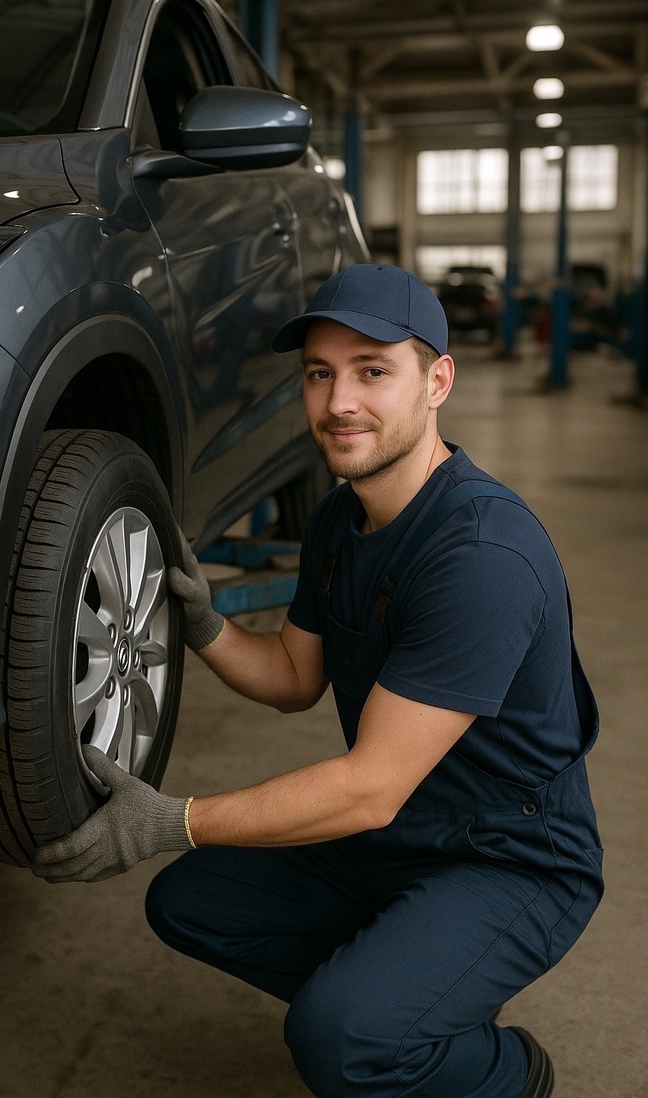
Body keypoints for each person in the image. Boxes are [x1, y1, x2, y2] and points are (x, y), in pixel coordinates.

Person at [33, 264, 603, 1098]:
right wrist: (204, 625)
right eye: (319, 374)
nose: (340, 401)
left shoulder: (482, 557)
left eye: (373, 371)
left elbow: (369, 788)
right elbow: (296, 676)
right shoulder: (342, 517)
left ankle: (504, 1073)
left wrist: (172, 819)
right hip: (401, 835)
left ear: (437, 382)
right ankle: (410, 1001)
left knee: (339, 1041)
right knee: (191, 902)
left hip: (509, 859)